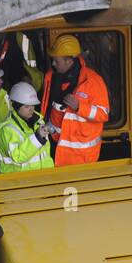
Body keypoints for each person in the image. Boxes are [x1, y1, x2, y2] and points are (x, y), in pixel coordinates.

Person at [38, 33, 109, 166]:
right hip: (55, 150)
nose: (53, 63)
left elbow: (103, 114)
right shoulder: (51, 77)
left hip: (82, 159)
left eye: (56, 61)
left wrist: (79, 107)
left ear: (69, 61)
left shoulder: (93, 82)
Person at [0, 82, 54, 173]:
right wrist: (37, 138)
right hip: (18, 181)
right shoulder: (7, 129)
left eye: (33, 105)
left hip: (43, 176)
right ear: (16, 106)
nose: (31, 109)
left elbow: (45, 154)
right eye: (26, 106)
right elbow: (17, 157)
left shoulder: (39, 121)